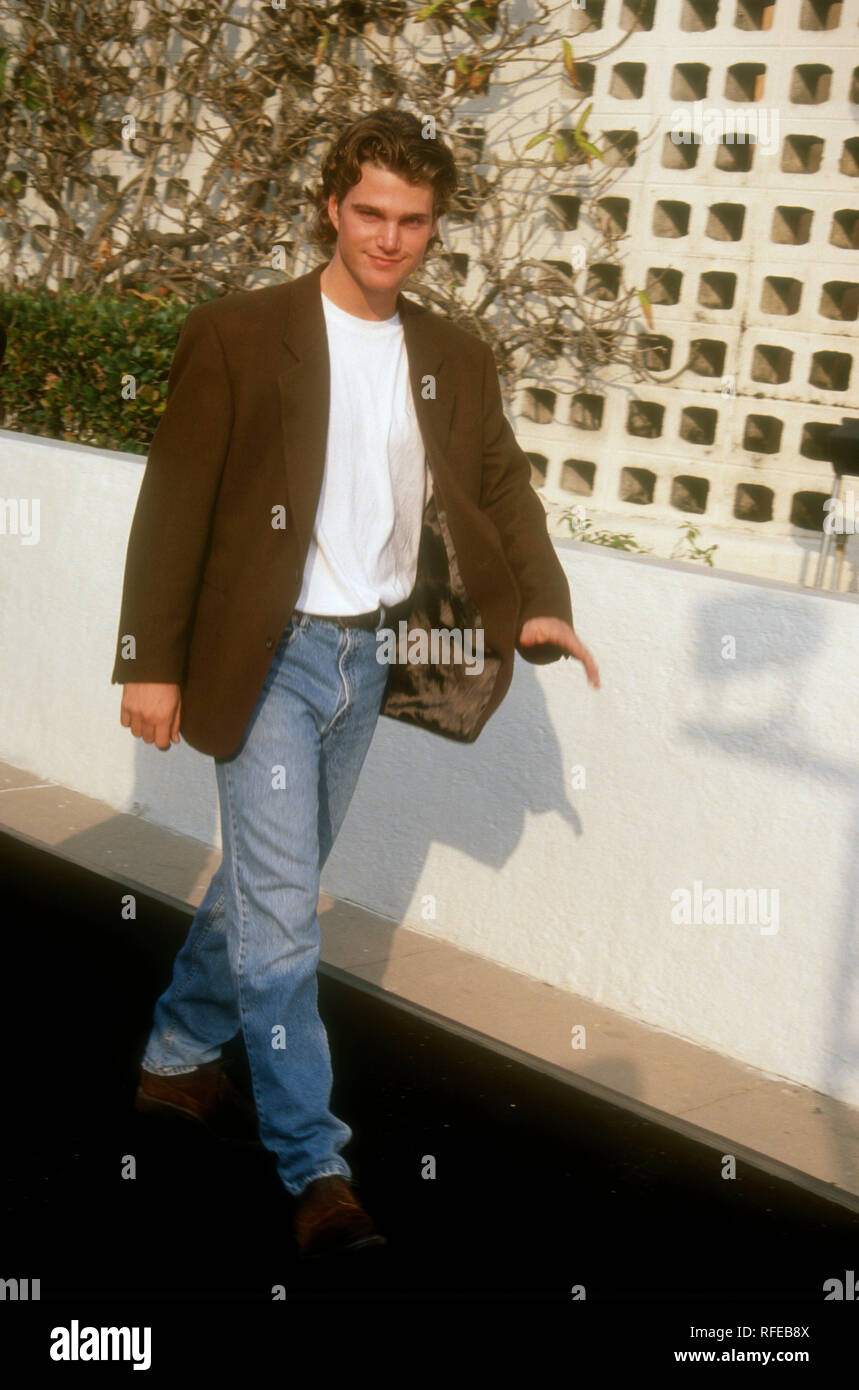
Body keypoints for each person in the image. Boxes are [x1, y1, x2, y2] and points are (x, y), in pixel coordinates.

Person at [112, 108, 600, 1260]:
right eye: (370, 213)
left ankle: (178, 1055)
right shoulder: (240, 334)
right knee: (286, 925)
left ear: (435, 229)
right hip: (267, 654)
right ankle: (315, 1169)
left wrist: (541, 601)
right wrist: (150, 661)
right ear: (333, 207)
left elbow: (499, 483)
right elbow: (174, 501)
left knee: (273, 882)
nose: (389, 239)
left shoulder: (451, 354)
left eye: (414, 221)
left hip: (370, 652)